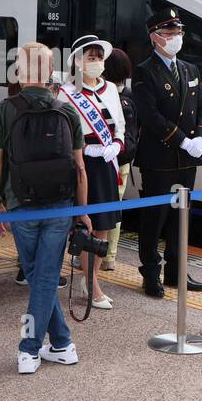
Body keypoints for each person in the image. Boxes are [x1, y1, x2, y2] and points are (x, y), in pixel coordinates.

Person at [0, 42, 89, 374]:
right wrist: (81, 210)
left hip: (21, 205)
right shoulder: (67, 111)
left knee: (39, 277)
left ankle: (29, 349)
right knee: (41, 277)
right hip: (60, 207)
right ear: (49, 73)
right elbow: (80, 168)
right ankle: (61, 344)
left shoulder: (5, 110)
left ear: (18, 72)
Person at [132, 8, 202, 298]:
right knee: (155, 217)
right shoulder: (144, 71)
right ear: (155, 38)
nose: (175, 38)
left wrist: (200, 137)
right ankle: (150, 273)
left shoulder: (191, 69)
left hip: (188, 158)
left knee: (181, 216)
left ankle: (176, 272)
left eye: (178, 33)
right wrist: (181, 140)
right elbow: (149, 115)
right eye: (169, 33)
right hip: (159, 157)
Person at [61, 34, 125, 308]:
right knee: (86, 226)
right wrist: (87, 151)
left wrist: (117, 145)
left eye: (99, 58)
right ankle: (92, 285)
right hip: (82, 164)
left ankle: (92, 279)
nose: (97, 62)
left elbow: (120, 124)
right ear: (76, 62)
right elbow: (65, 134)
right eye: (90, 58)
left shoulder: (110, 88)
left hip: (107, 163)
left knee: (104, 226)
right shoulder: (66, 93)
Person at [102, 48, 138, 272]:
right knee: (115, 209)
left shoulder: (101, 94)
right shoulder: (132, 95)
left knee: (94, 206)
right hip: (123, 162)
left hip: (99, 160)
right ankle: (109, 257)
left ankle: (88, 251)